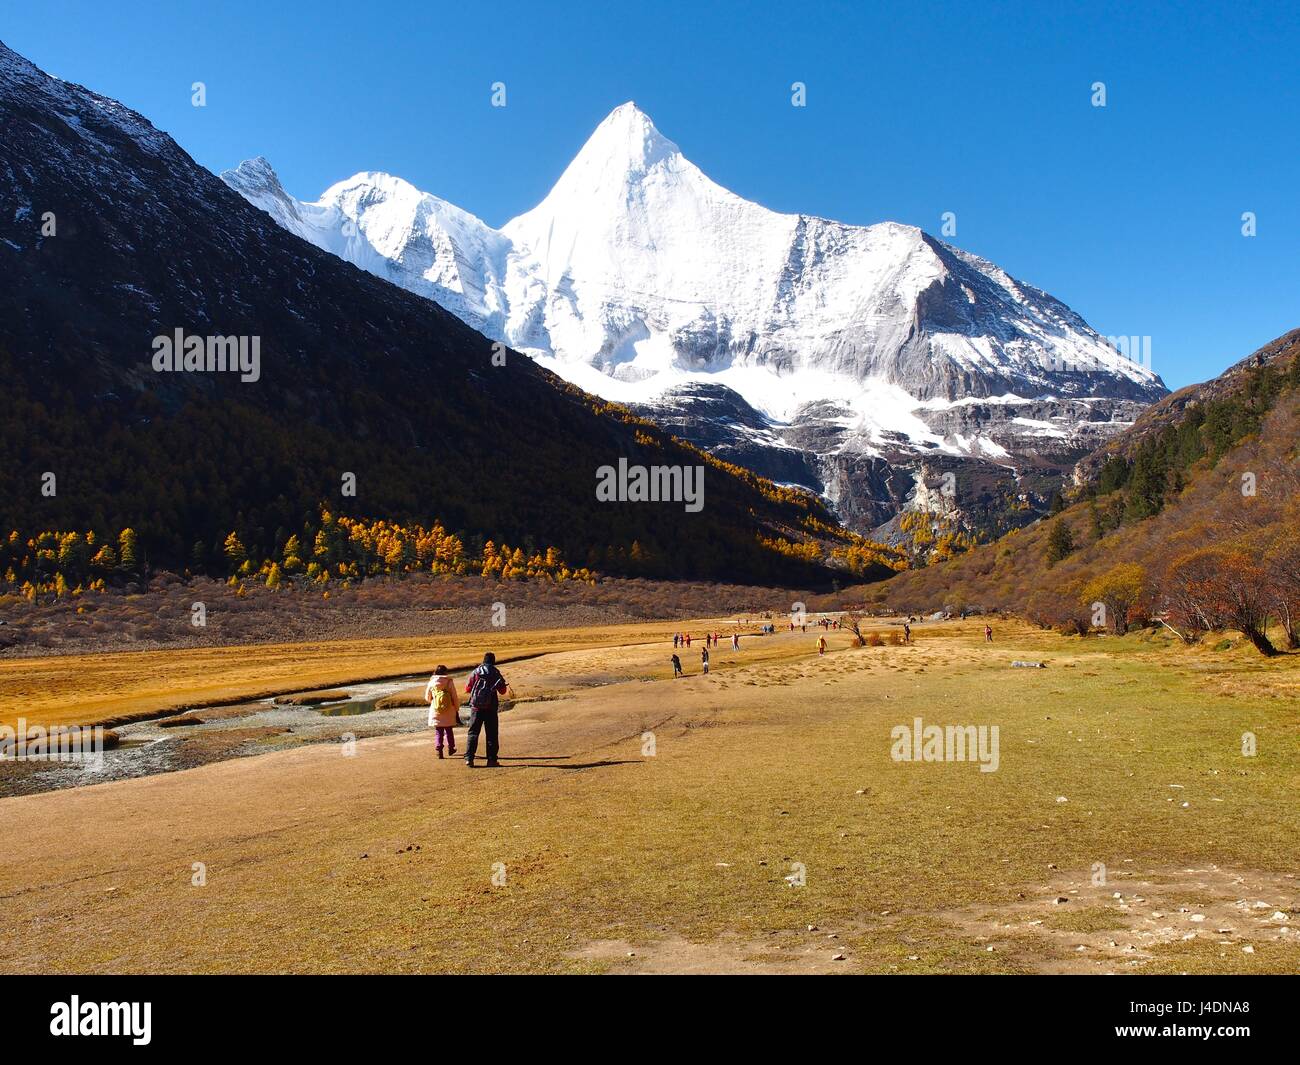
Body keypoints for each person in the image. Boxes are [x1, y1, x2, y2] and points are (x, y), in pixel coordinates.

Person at [463, 652, 509, 768]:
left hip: (476, 707)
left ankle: (469, 758)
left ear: (483, 660)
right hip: (491, 708)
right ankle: (492, 760)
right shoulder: (495, 672)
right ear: (493, 661)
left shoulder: (476, 672)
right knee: (492, 734)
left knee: (473, 732)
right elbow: (503, 691)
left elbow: (468, 689)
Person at [424, 664, 460, 759]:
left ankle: (439, 750)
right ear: (445, 672)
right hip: (449, 709)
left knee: (438, 731)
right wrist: (456, 709)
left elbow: (427, 698)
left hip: (436, 710)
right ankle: (451, 748)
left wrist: (434, 700)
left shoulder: (431, 682)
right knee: (449, 730)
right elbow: (454, 697)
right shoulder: (449, 682)